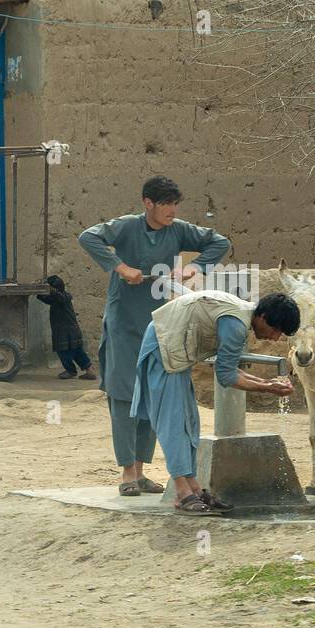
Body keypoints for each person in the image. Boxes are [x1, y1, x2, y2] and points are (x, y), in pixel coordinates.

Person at [78, 176, 232, 497]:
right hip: (123, 324)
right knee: (123, 394)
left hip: (158, 323)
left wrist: (196, 267)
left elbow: (220, 242)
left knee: (150, 392)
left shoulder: (179, 229)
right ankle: (127, 472)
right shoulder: (126, 227)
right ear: (148, 203)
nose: (172, 210)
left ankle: (143, 470)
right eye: (166, 204)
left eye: (175, 204)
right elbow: (88, 236)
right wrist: (121, 268)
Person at [131, 290, 301, 514]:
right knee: (173, 423)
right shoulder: (236, 326)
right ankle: (182, 493)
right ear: (263, 317)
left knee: (189, 424)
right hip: (163, 345)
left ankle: (194, 489)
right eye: (277, 330)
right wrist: (268, 388)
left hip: (173, 349)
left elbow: (229, 368)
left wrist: (267, 383)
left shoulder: (240, 317)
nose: (275, 338)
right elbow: (227, 376)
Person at [36, 275, 96, 380]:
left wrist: (48, 288)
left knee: (64, 352)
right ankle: (89, 369)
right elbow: (44, 298)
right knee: (77, 351)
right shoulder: (58, 298)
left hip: (66, 331)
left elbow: (56, 296)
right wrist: (40, 290)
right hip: (70, 330)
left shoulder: (62, 298)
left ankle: (70, 371)